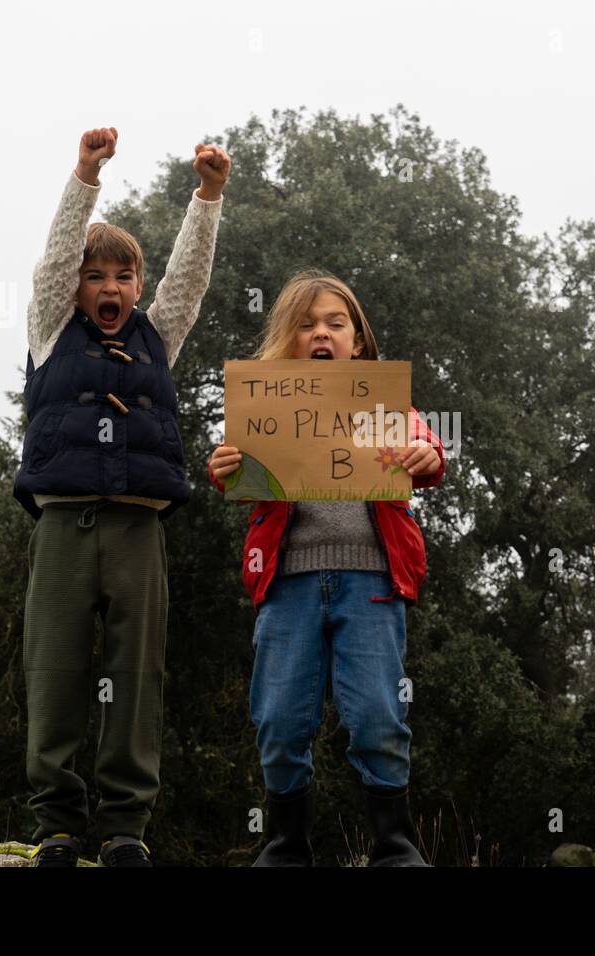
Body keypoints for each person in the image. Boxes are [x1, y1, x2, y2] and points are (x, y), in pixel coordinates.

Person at [14, 126, 230, 867]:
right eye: (95, 276)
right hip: (63, 524)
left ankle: (124, 830)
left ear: (137, 288)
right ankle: (58, 827)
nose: (109, 288)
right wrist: (84, 175)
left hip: (139, 529)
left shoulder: (157, 338)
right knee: (55, 671)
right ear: (75, 286)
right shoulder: (49, 328)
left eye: (122, 277)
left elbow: (190, 281)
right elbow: (54, 258)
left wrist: (207, 196)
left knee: (137, 676)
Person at [207, 270, 445, 866]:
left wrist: (427, 452)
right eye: (307, 325)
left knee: (377, 716)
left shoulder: (388, 403)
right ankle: (287, 845)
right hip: (286, 582)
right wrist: (224, 465)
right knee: (280, 717)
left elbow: (426, 450)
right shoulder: (265, 406)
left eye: (336, 323)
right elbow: (235, 471)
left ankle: (394, 846)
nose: (322, 333)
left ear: (357, 342)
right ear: (288, 341)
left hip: (371, 581)